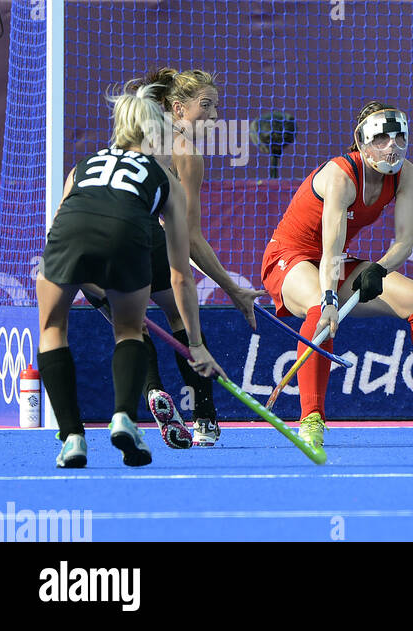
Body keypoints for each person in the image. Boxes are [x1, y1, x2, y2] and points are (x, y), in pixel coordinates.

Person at [261, 101, 413, 448]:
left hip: (332, 261)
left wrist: (379, 269)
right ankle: (311, 418)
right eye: (382, 138)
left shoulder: (406, 175)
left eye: (399, 137)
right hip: (289, 257)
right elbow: (330, 248)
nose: (392, 146)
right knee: (318, 306)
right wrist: (330, 299)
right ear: (362, 142)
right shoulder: (340, 176)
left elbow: (404, 242)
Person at [40, 82, 224, 468]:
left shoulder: (84, 165)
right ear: (155, 131)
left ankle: (72, 437)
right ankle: (124, 416)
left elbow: (58, 229)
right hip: (128, 235)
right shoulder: (164, 178)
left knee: (53, 329)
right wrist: (195, 344)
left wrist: (97, 288)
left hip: (68, 237)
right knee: (129, 331)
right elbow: (180, 275)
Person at [84, 68, 267, 449]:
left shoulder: (130, 138)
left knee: (133, 323)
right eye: (206, 105)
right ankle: (205, 418)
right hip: (143, 240)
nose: (215, 116)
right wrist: (232, 289)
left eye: (217, 107)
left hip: (85, 248)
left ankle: (152, 390)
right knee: (180, 319)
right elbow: (189, 239)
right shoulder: (185, 152)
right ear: (178, 108)